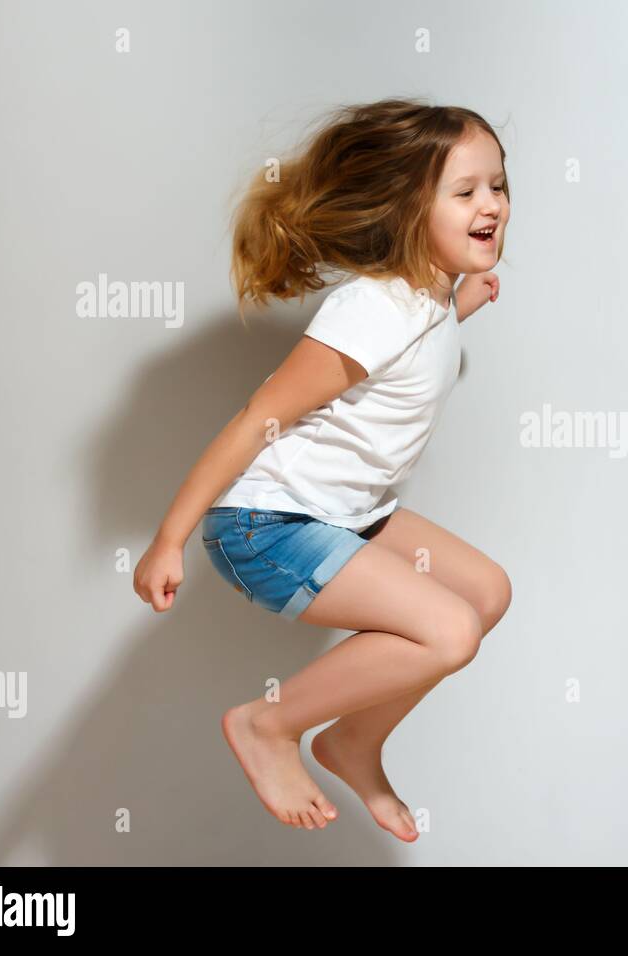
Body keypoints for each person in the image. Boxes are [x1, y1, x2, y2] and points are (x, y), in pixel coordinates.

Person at [132, 98, 513, 841]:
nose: (491, 205)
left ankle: (354, 741)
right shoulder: (373, 308)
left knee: (486, 592)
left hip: (346, 514)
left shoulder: (426, 296)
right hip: (267, 525)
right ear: (408, 210)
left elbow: (405, 355)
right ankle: (266, 726)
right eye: (465, 192)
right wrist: (168, 538)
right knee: (449, 632)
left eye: (499, 185)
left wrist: (459, 306)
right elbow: (256, 418)